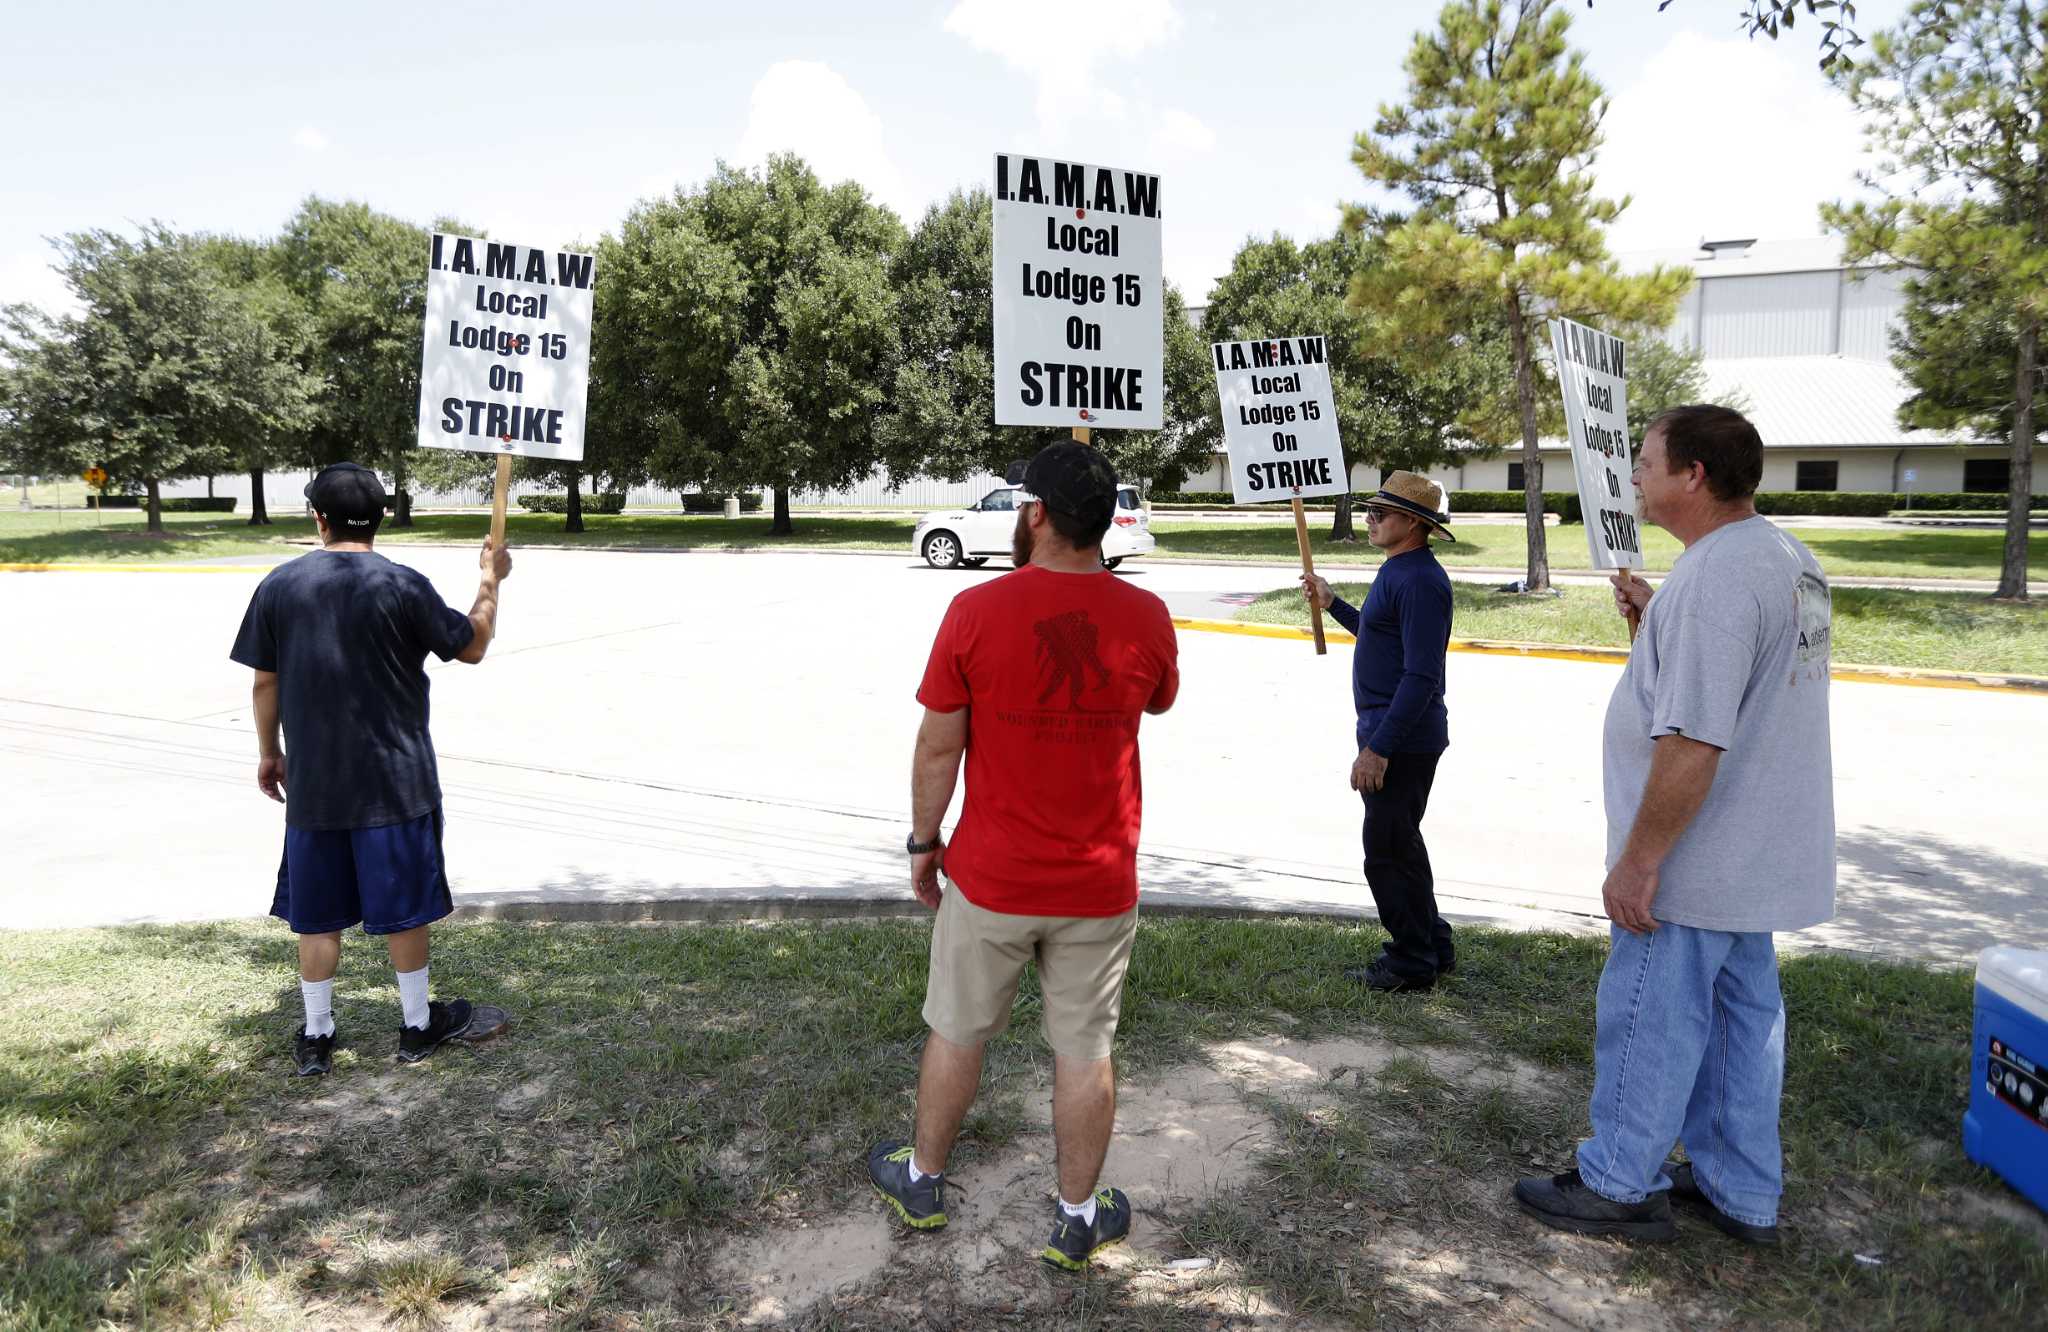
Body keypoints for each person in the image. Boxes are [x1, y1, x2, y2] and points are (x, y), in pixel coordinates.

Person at [1515, 405, 1834, 1245]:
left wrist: (1640, 860)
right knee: (1741, 1027)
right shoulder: (1781, 557)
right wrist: (1657, 619)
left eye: (1647, 464)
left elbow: (1695, 739)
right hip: (1753, 859)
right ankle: (1740, 1188)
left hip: (1695, 863)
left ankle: (1620, 1178)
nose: (1636, 480)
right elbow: (1739, 678)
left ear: (1693, 475)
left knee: (1651, 1014)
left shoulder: (1716, 580)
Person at [867, 441, 1180, 1272]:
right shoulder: (1146, 616)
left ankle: (924, 1179)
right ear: (1107, 522)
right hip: (1098, 881)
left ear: (1033, 513)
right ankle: (1077, 1219)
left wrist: (924, 845)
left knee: (957, 1029)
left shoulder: (974, 610)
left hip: (992, 877)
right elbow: (1158, 700)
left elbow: (939, 748)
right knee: (1085, 1047)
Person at [230, 462, 512, 1077]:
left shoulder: (280, 586)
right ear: (382, 518)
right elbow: (474, 644)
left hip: (317, 785)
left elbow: (265, 682)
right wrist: (491, 581)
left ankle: (316, 1035)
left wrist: (269, 752)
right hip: (396, 782)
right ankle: (416, 1026)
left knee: (319, 910)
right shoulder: (403, 585)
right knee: (404, 906)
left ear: (318, 518)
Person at [1300, 471, 1457, 993]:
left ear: (1413, 523)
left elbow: (1421, 675)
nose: (1369, 520)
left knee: (1385, 852)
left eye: (1379, 513)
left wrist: (1378, 749)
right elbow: (1377, 629)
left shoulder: (1419, 581)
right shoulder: (1398, 571)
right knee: (1403, 844)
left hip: (1402, 740)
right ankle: (1433, 942)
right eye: (1368, 511)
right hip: (1391, 733)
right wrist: (1331, 602)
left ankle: (1411, 962)